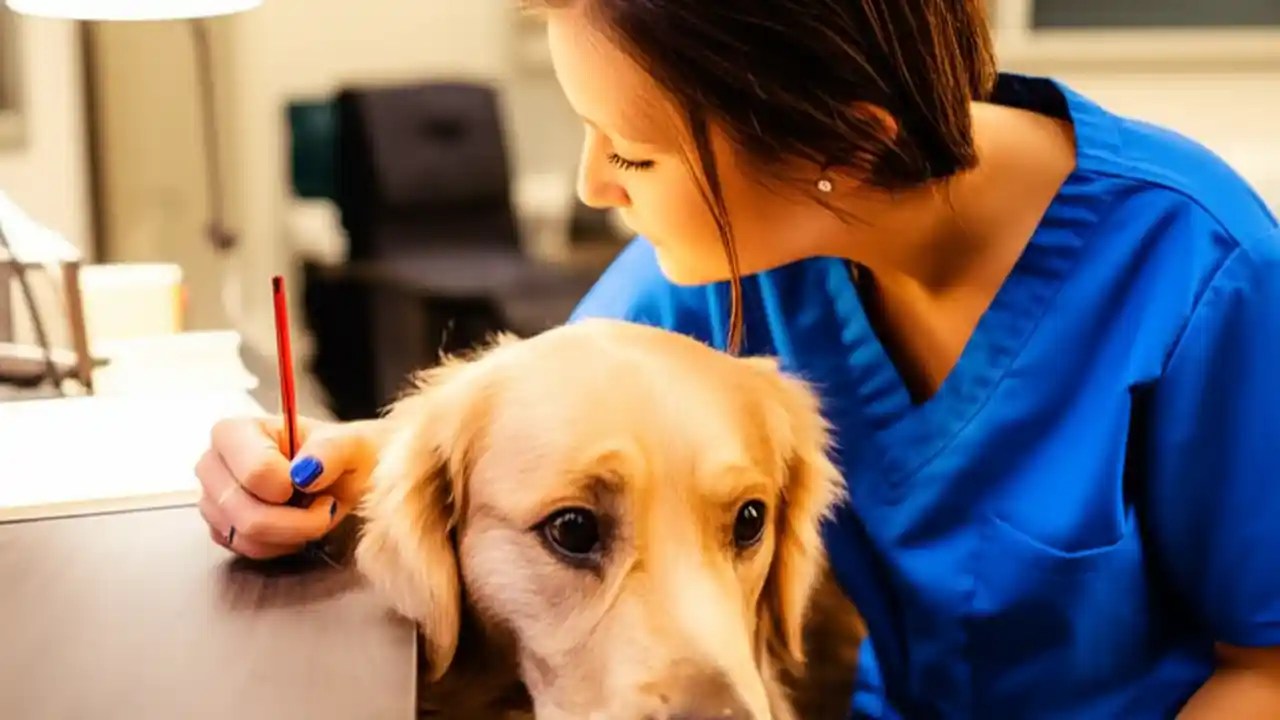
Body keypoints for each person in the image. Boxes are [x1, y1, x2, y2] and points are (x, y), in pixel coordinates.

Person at [196, 1, 1280, 716]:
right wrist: (326, 467)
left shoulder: (1199, 273)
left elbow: (1263, 670)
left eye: (634, 150)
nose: (591, 188)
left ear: (843, 147)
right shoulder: (729, 248)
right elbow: (552, 418)